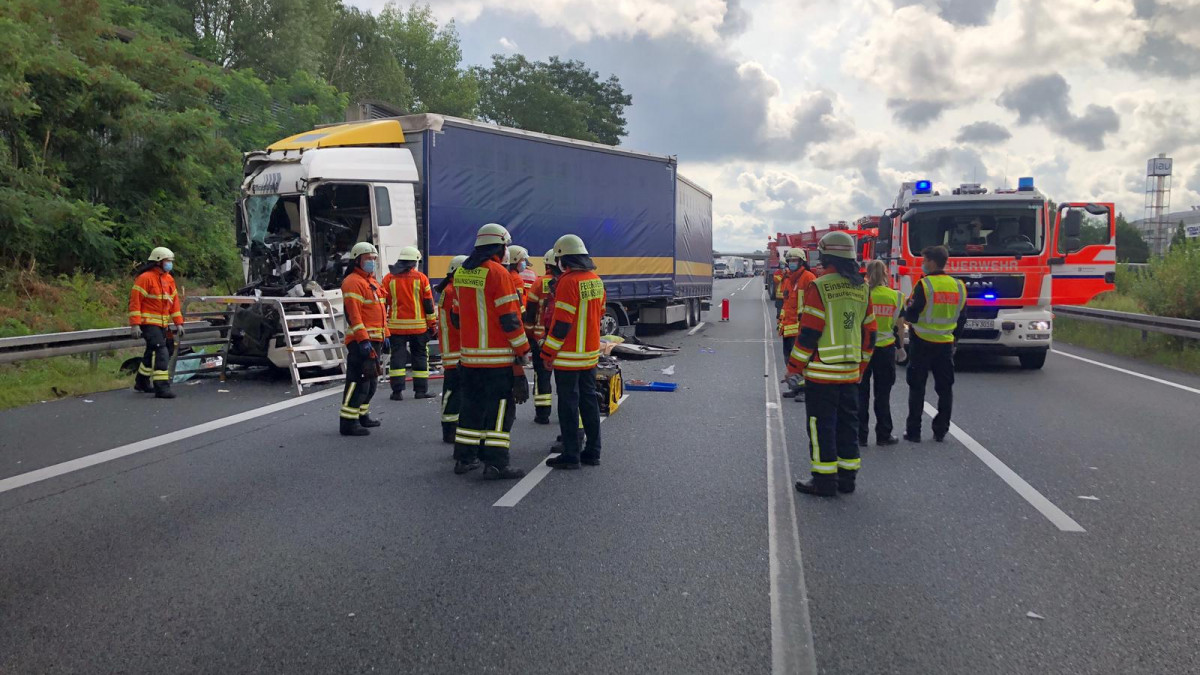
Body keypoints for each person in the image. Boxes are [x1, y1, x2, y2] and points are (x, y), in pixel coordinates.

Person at [788, 231, 877, 497]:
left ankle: (824, 481)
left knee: (821, 426)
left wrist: (793, 367)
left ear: (827, 256)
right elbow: (870, 333)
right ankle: (847, 478)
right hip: (850, 373)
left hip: (821, 373)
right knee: (847, 425)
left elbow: (809, 333)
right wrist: (861, 367)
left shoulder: (820, 286)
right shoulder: (862, 288)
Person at [452, 224, 531, 480]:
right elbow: (510, 318)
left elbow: (455, 317)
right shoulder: (498, 273)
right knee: (499, 411)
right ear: (499, 246)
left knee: (471, 409)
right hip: (497, 359)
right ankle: (497, 463)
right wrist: (523, 349)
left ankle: (464, 459)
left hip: (469, 358)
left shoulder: (462, 273)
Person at [541, 235, 605, 470]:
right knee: (589, 402)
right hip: (589, 354)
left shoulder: (568, 282)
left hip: (568, 357)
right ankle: (593, 452)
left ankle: (571, 454)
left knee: (568, 405)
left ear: (562, 259)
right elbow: (600, 313)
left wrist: (548, 353)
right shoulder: (596, 280)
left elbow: (561, 324)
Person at [903, 245, 966, 443]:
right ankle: (941, 430)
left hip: (921, 343)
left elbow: (913, 315)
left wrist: (907, 309)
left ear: (931, 262)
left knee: (917, 388)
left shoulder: (925, 285)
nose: (922, 264)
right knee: (945, 389)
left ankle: (914, 432)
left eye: (924, 261)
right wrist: (954, 339)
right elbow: (962, 317)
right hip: (946, 344)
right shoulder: (959, 286)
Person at [339, 242, 389, 436]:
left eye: (374, 258)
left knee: (371, 382)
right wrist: (363, 340)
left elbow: (381, 312)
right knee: (358, 382)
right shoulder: (353, 282)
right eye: (369, 258)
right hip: (361, 342)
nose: (372, 262)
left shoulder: (372, 282)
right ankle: (348, 422)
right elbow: (354, 316)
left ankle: (362, 415)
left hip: (374, 340)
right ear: (358, 260)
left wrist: (386, 335)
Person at [857, 260, 906, 447]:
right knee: (883, 394)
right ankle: (884, 434)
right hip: (885, 350)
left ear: (867, 274)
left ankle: (860, 436)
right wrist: (900, 349)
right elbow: (900, 327)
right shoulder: (896, 296)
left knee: (861, 394)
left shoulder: (862, 294)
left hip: (863, 349)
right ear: (886, 274)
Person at [381, 246, 436, 401]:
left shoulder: (389, 278)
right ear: (414, 262)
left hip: (396, 327)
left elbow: (383, 303)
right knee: (419, 357)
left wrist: (383, 325)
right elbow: (428, 304)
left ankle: (397, 392)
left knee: (397, 357)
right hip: (418, 327)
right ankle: (420, 391)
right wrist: (432, 324)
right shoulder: (421, 278)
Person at [129, 246, 183, 399]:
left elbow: (174, 303)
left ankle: (142, 381)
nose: (170, 264)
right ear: (158, 262)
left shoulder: (168, 279)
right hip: (148, 323)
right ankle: (162, 388)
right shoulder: (145, 278)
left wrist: (178, 323)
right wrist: (135, 324)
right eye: (168, 261)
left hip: (163, 324)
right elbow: (135, 302)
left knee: (155, 351)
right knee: (161, 351)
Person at [525, 249, 560, 424]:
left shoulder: (539, 283)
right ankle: (565, 412)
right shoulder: (564, 282)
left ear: (547, 264)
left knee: (542, 375)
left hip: (540, 338)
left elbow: (530, 312)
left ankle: (542, 414)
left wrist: (530, 334)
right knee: (564, 378)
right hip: (561, 338)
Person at [435, 255, 467, 445]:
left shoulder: (449, 289)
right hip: (456, 349)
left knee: (454, 391)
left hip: (453, 349)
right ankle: (450, 430)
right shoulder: (453, 290)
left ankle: (451, 428)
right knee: (454, 392)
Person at [778, 248, 816, 401]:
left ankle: (804, 391)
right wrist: (780, 321)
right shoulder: (788, 279)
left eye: (795, 260)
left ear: (801, 262)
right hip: (788, 327)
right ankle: (794, 387)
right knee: (789, 359)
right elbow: (786, 303)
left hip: (801, 328)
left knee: (802, 361)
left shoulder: (809, 278)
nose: (792, 263)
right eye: (790, 260)